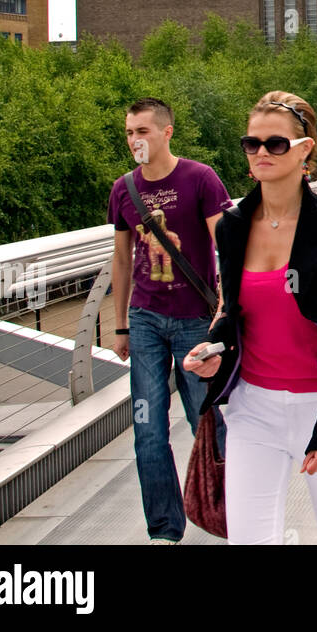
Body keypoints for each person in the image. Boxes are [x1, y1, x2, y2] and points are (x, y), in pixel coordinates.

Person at [184, 91, 317, 545]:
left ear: (305, 150)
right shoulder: (231, 227)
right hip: (254, 411)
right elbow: (232, 316)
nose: (262, 153)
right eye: (252, 144)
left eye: (275, 144)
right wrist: (216, 351)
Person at [108, 98, 232, 544]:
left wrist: (226, 308)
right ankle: (164, 528)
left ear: (167, 133)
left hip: (195, 320)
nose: (134, 140)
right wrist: (120, 325)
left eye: (142, 131)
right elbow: (122, 260)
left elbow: (228, 245)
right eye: (128, 132)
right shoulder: (124, 188)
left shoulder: (199, 178)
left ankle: (226, 515)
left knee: (210, 420)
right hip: (144, 320)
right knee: (147, 428)